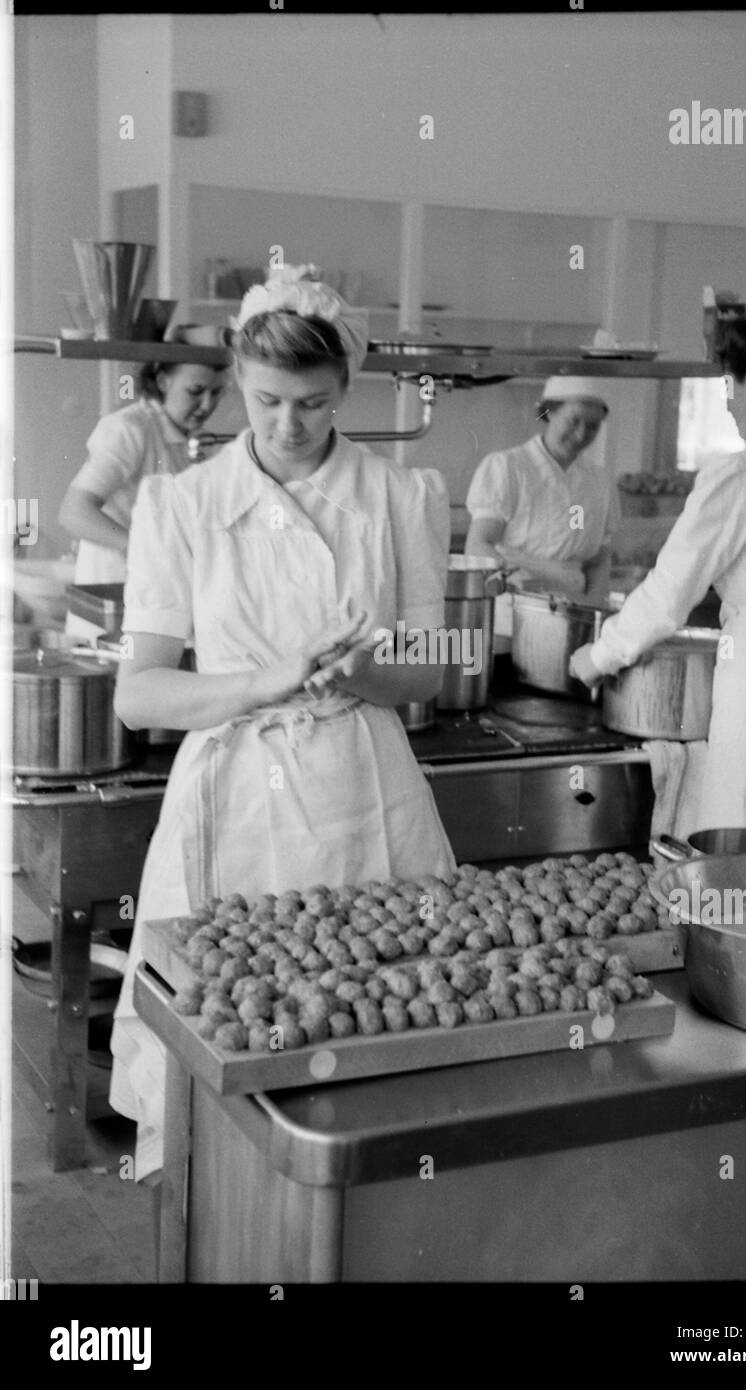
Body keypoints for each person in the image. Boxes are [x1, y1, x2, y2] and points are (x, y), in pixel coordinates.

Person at [109, 264, 456, 1182]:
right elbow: (138, 694)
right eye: (265, 401)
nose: (287, 426)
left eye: (311, 403)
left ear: (346, 389)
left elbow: (438, 666)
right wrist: (262, 680)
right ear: (234, 378)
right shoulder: (182, 505)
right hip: (232, 797)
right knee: (216, 1058)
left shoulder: (399, 498)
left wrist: (373, 671)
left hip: (362, 788)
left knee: (375, 1022)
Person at [570, 316, 746, 844]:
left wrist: (599, 657)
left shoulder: (743, 475)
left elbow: (670, 591)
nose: (727, 403)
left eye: (728, 387)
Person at [58, 326, 228, 589]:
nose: (207, 405)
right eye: (195, 391)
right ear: (163, 382)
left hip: (158, 587)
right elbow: (74, 512)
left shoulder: (194, 440)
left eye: (216, 393)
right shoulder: (129, 429)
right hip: (112, 585)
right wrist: (138, 549)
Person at [464, 376, 618, 604]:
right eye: (573, 421)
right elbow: (479, 544)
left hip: (576, 608)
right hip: (514, 605)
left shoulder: (597, 481)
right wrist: (514, 581)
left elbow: (597, 559)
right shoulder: (508, 467)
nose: (581, 434)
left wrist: (594, 605)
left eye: (592, 426)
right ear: (550, 413)